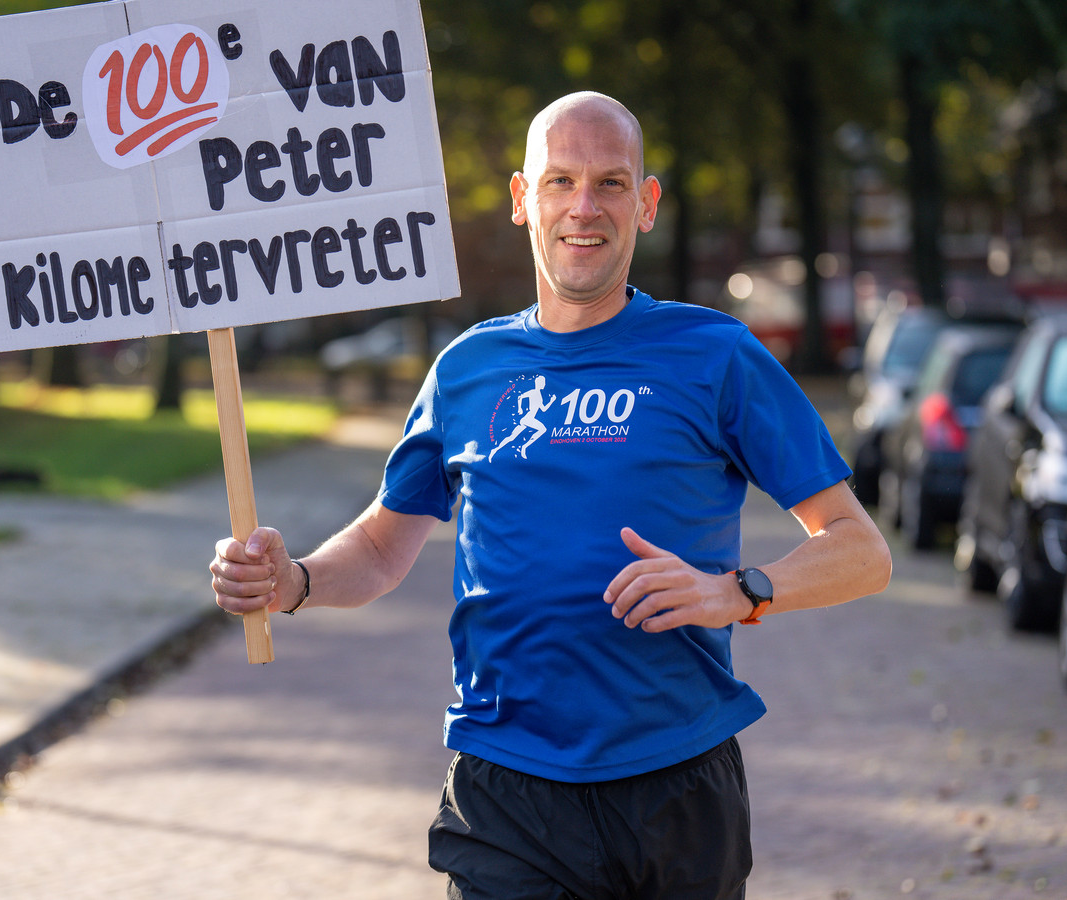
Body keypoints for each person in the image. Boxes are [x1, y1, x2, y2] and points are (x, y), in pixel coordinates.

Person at [211, 91, 892, 899]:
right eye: (560, 180)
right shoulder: (467, 370)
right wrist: (294, 581)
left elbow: (862, 551)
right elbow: (381, 547)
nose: (583, 207)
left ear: (646, 204)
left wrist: (736, 591)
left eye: (611, 183)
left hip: (676, 784)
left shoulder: (715, 354)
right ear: (521, 198)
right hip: (506, 792)